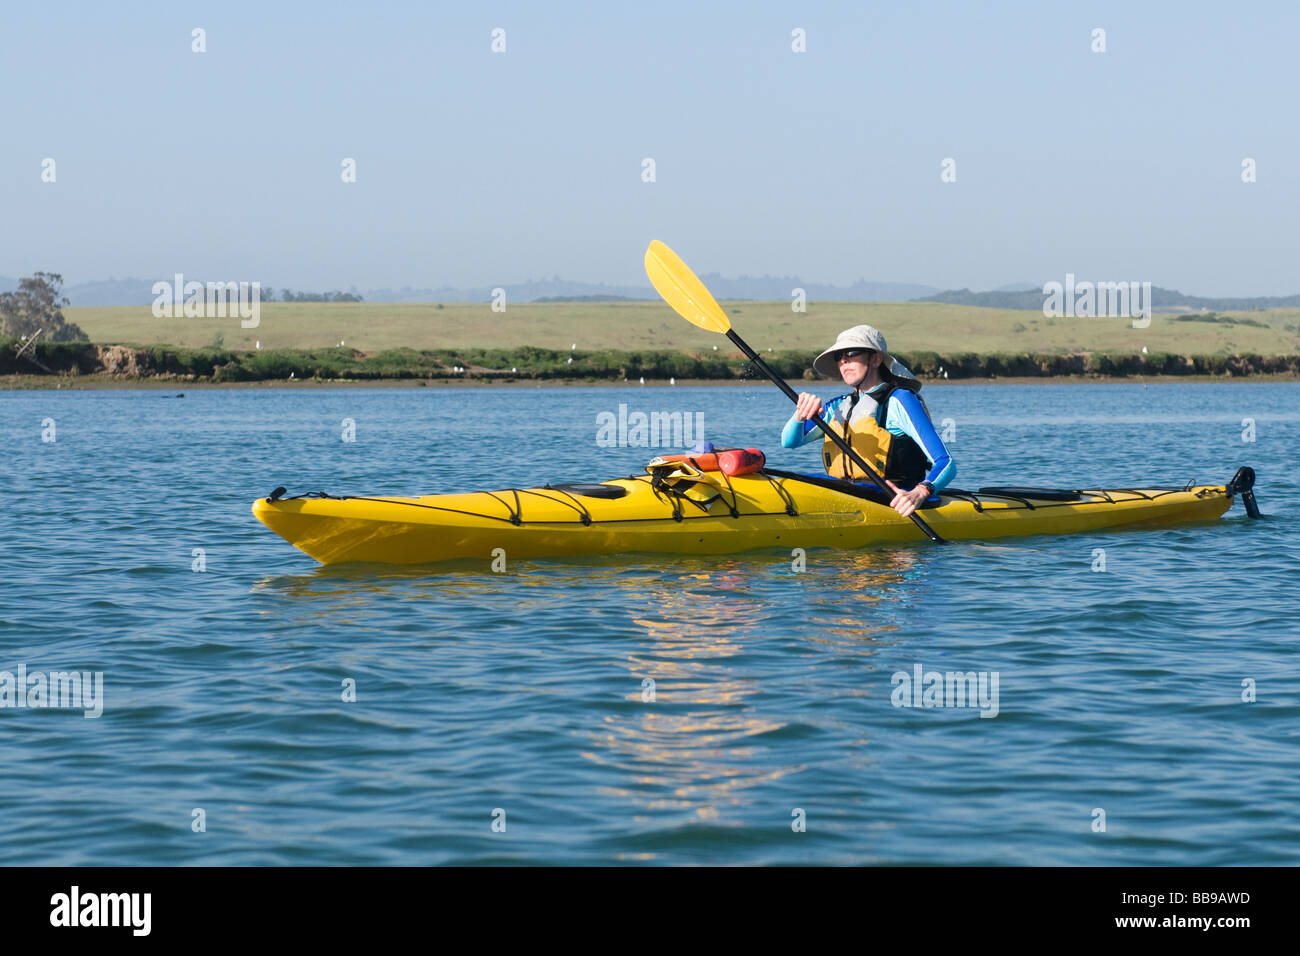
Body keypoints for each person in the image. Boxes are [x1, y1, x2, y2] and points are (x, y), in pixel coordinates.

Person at [780, 325, 955, 518]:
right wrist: (799, 415)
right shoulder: (836, 407)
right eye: (839, 356)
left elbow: (945, 463)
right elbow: (789, 442)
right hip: (846, 496)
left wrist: (920, 492)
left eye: (852, 352)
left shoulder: (899, 401)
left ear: (876, 359)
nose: (844, 360)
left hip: (894, 501)